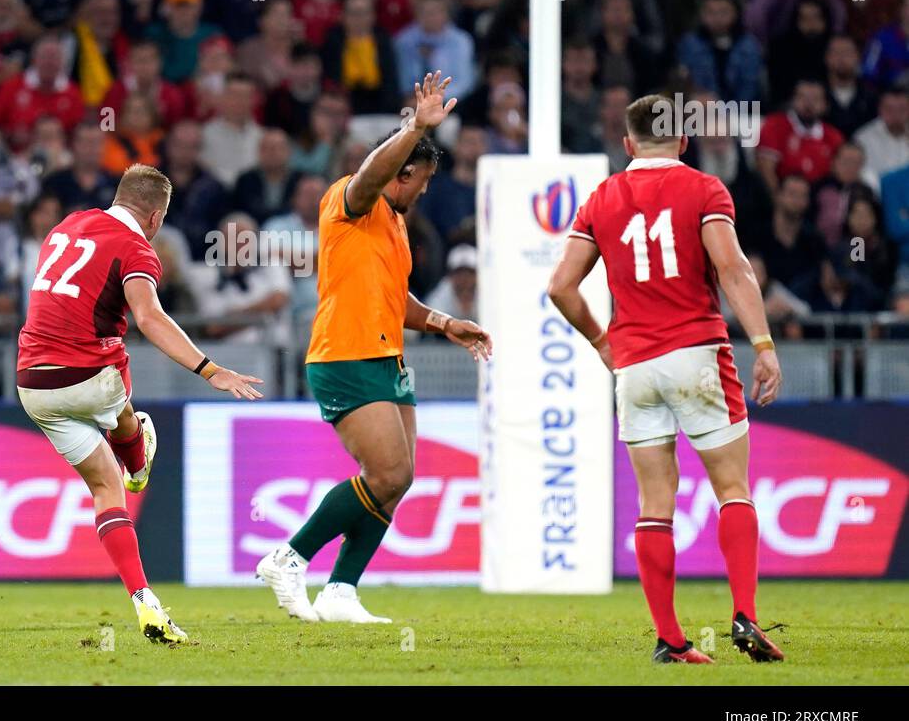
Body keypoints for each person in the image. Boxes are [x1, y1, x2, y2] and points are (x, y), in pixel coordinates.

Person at [546, 93, 785, 665]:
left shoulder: (600, 199)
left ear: (626, 145)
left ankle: (670, 640)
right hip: (697, 352)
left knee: (655, 503)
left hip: (633, 366)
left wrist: (605, 342)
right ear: (682, 140)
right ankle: (745, 615)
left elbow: (560, 287)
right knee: (732, 488)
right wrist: (764, 344)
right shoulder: (703, 189)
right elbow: (732, 268)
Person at [256, 71, 492, 624]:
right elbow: (369, 176)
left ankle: (340, 591)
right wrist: (416, 126)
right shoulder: (350, 198)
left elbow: (395, 297)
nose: (426, 190)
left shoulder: (394, 223)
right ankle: (289, 557)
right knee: (385, 474)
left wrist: (441, 321)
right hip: (345, 354)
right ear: (402, 170)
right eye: (422, 179)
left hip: (387, 357)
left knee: (400, 477)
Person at [16, 164, 262, 644]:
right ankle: (136, 456)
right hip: (89, 376)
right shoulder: (136, 247)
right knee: (118, 366)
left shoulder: (66, 226)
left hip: (31, 382)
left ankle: (146, 601)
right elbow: (149, 316)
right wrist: (210, 369)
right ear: (154, 218)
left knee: (106, 489)